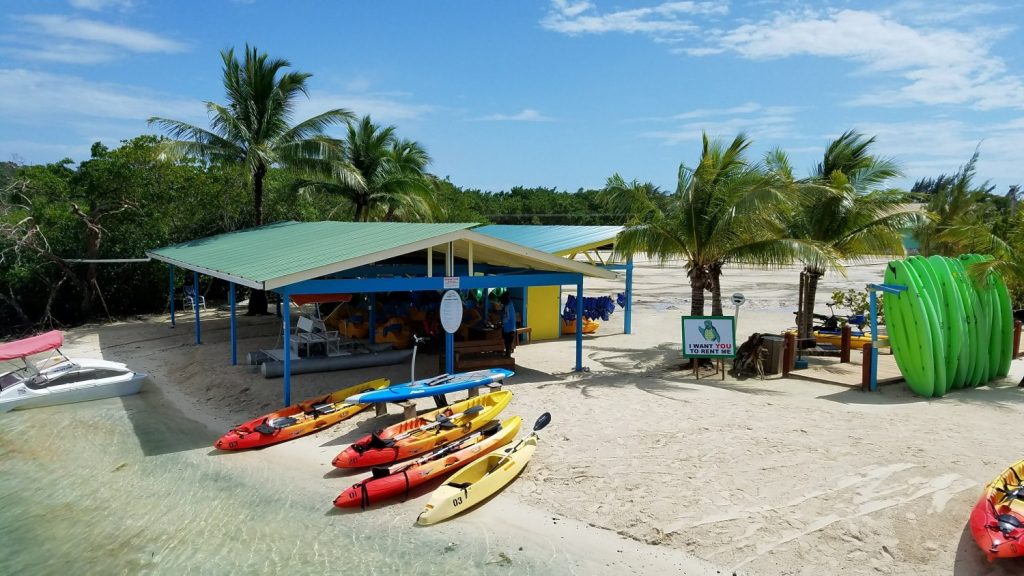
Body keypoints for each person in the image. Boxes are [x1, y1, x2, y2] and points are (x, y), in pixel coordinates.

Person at [500, 292, 516, 358]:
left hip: (508, 327)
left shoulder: (508, 306)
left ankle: (508, 354)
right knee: (508, 342)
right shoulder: (510, 305)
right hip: (511, 327)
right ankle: (508, 353)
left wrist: (502, 322)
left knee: (507, 341)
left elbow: (508, 317)